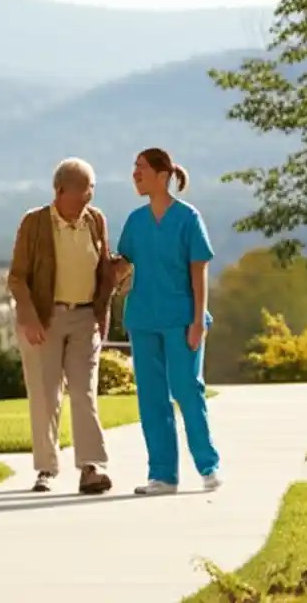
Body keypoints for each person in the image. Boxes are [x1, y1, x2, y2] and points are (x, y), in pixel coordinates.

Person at [112, 147, 221, 495]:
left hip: (181, 319)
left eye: (141, 168)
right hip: (143, 319)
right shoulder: (135, 221)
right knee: (151, 398)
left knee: (188, 390)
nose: (135, 174)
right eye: (134, 168)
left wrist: (198, 321)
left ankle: (208, 466)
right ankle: (162, 476)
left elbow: (198, 270)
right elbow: (122, 263)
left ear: (163, 176)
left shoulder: (188, 218)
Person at [7, 157, 115, 494]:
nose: (88, 197)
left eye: (91, 190)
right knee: (45, 395)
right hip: (45, 318)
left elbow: (103, 270)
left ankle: (91, 467)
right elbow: (17, 277)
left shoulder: (95, 221)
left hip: (84, 318)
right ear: (59, 190)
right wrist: (28, 316)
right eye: (82, 191)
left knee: (84, 392)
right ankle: (46, 470)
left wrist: (104, 308)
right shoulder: (35, 223)